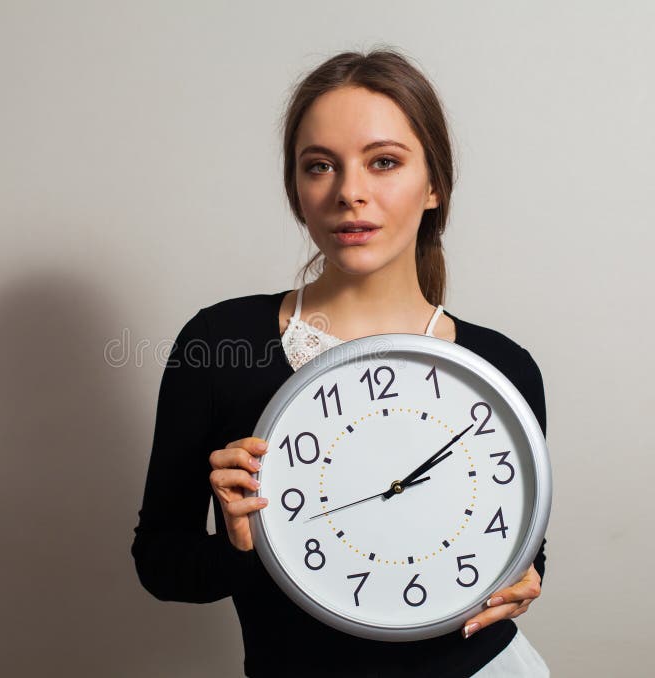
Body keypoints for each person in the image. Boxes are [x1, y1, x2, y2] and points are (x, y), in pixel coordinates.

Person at [132, 48, 550, 677]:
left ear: (434, 185)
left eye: (384, 162)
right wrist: (240, 548)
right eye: (320, 166)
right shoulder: (219, 343)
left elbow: (525, 548)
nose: (350, 192)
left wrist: (524, 579)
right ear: (296, 191)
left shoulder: (502, 368)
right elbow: (161, 564)